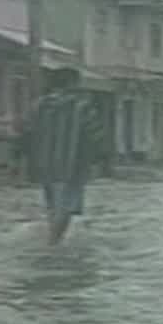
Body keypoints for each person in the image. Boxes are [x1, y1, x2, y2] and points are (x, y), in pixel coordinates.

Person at [21, 67, 105, 245]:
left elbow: (26, 133)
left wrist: (22, 160)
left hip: (43, 165)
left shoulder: (38, 105)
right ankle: (54, 242)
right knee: (67, 207)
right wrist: (97, 161)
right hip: (73, 166)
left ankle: (52, 238)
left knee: (53, 206)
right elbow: (94, 136)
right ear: (73, 83)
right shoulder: (83, 106)